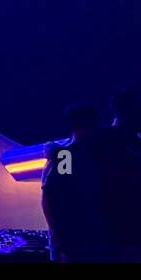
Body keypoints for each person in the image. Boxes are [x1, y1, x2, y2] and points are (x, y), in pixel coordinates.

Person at [96, 89, 141, 261]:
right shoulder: (101, 139)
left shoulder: (140, 145)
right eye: (139, 111)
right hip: (117, 235)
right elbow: (66, 153)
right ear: (120, 110)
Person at [41, 103, 109, 262]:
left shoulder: (72, 155)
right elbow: (53, 200)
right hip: (73, 241)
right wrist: (61, 240)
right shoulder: (67, 156)